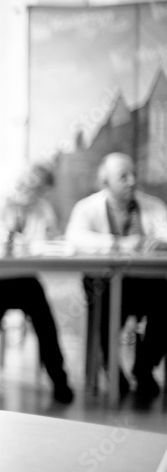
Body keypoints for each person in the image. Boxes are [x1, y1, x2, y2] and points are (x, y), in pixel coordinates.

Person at [0, 163, 74, 403]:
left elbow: (49, 241)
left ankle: (59, 378)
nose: (31, 191)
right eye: (29, 184)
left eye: (39, 189)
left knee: (44, 319)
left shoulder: (42, 209)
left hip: (22, 279)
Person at [66, 152, 167, 399]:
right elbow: (75, 239)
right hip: (105, 284)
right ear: (105, 182)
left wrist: (159, 243)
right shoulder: (87, 208)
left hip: (147, 284)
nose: (132, 180)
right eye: (123, 176)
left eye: (133, 174)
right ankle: (113, 372)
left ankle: (144, 367)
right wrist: (119, 243)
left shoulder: (152, 206)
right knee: (104, 310)